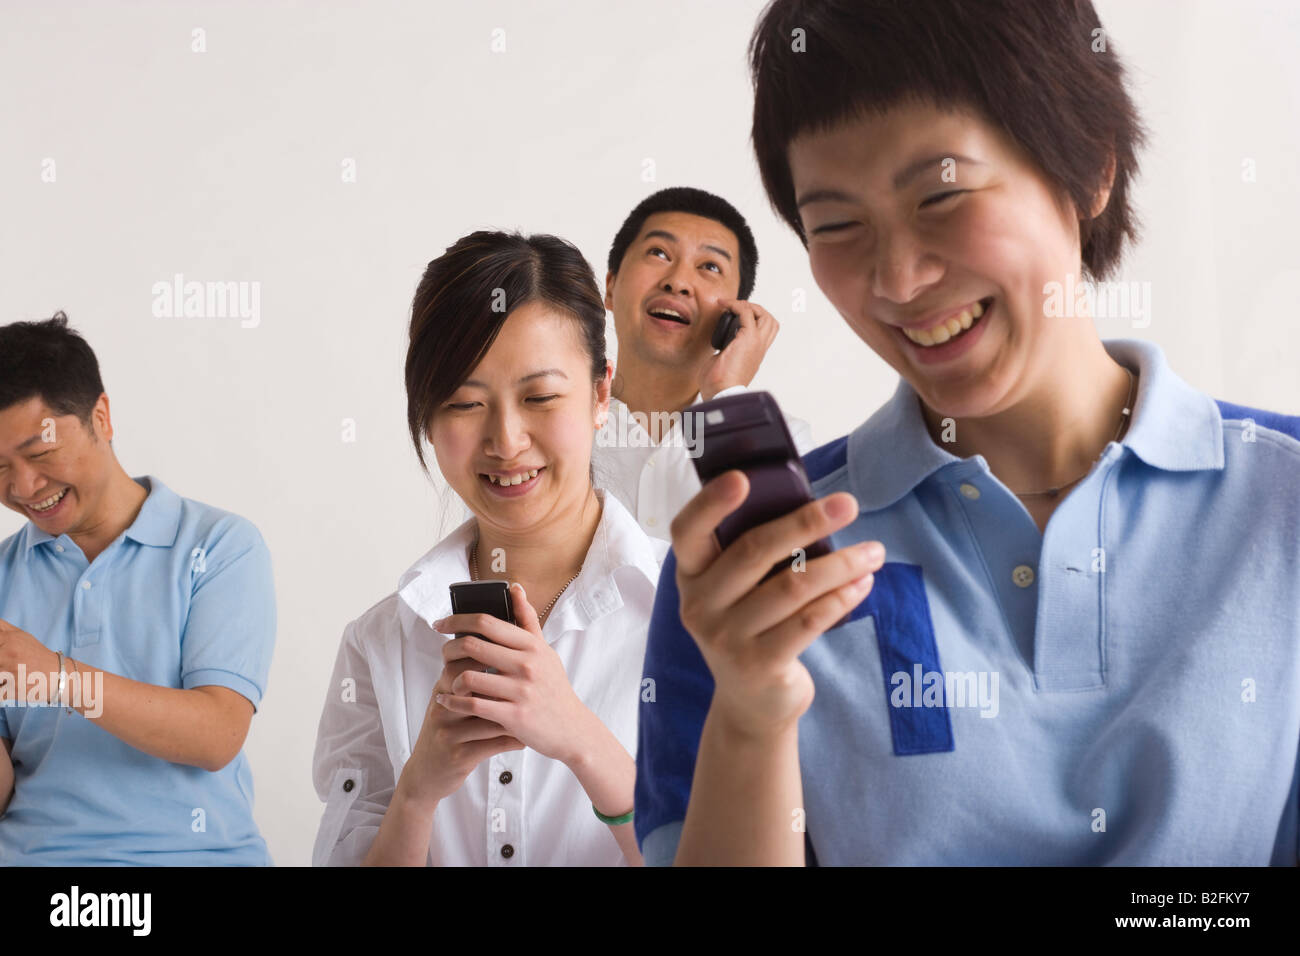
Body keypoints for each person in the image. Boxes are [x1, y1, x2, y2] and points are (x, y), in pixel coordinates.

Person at [635, 0, 1300, 865]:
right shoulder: (746, 571)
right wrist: (753, 716)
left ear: (1089, 167)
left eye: (941, 195)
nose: (899, 278)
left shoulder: (1280, 504)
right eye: (837, 225)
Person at [312, 231, 667, 866]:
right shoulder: (380, 643)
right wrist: (418, 793)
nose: (505, 440)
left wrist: (584, 742)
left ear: (600, 393)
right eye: (465, 403)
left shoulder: (696, 608)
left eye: (540, 398)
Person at [0, 313, 276, 865]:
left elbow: (216, 735)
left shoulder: (221, 546)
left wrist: (56, 676)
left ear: (100, 417)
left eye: (39, 454)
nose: (24, 487)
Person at [593, 187, 814, 542]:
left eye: (710, 267)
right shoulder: (555, 423)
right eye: (658, 253)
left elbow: (787, 556)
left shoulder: (786, 441)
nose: (678, 281)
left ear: (735, 313)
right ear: (610, 285)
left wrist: (727, 394)